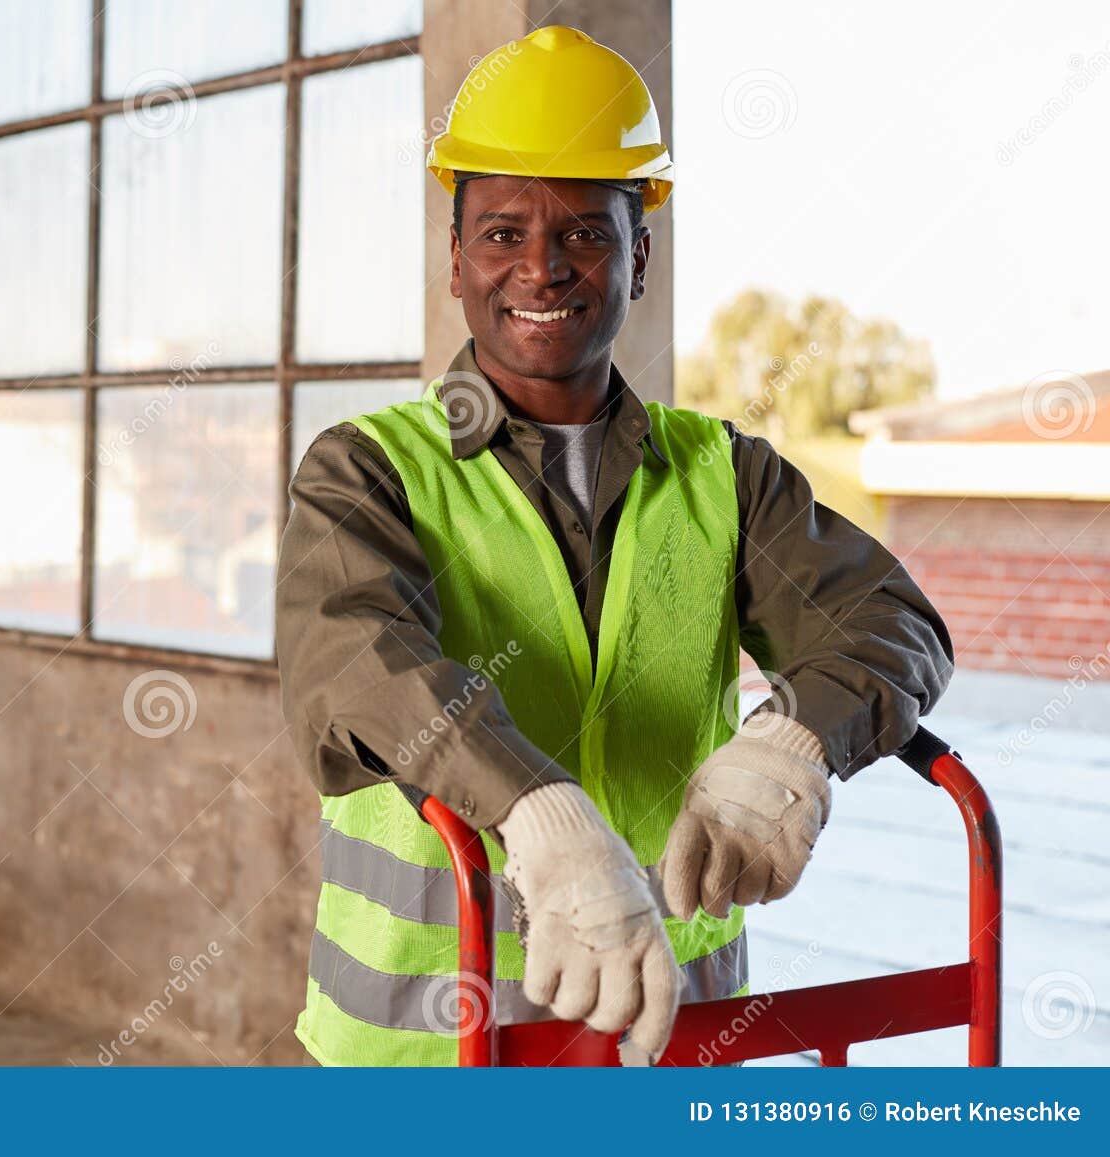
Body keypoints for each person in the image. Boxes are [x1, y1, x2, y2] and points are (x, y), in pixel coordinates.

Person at [275, 25, 954, 1067]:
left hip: (669, 1044)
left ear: (638, 256)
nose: (541, 267)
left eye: (585, 232)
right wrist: (538, 811)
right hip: (422, 1065)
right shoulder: (367, 471)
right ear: (456, 262)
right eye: (502, 233)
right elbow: (356, 663)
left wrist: (792, 743)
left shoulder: (726, 474)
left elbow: (889, 619)